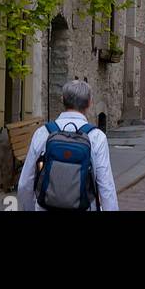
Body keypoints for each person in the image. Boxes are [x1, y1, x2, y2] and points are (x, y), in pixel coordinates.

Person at [18, 79, 118, 211]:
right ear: (89, 103)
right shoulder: (97, 137)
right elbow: (106, 186)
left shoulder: (43, 133)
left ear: (62, 100)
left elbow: (25, 184)